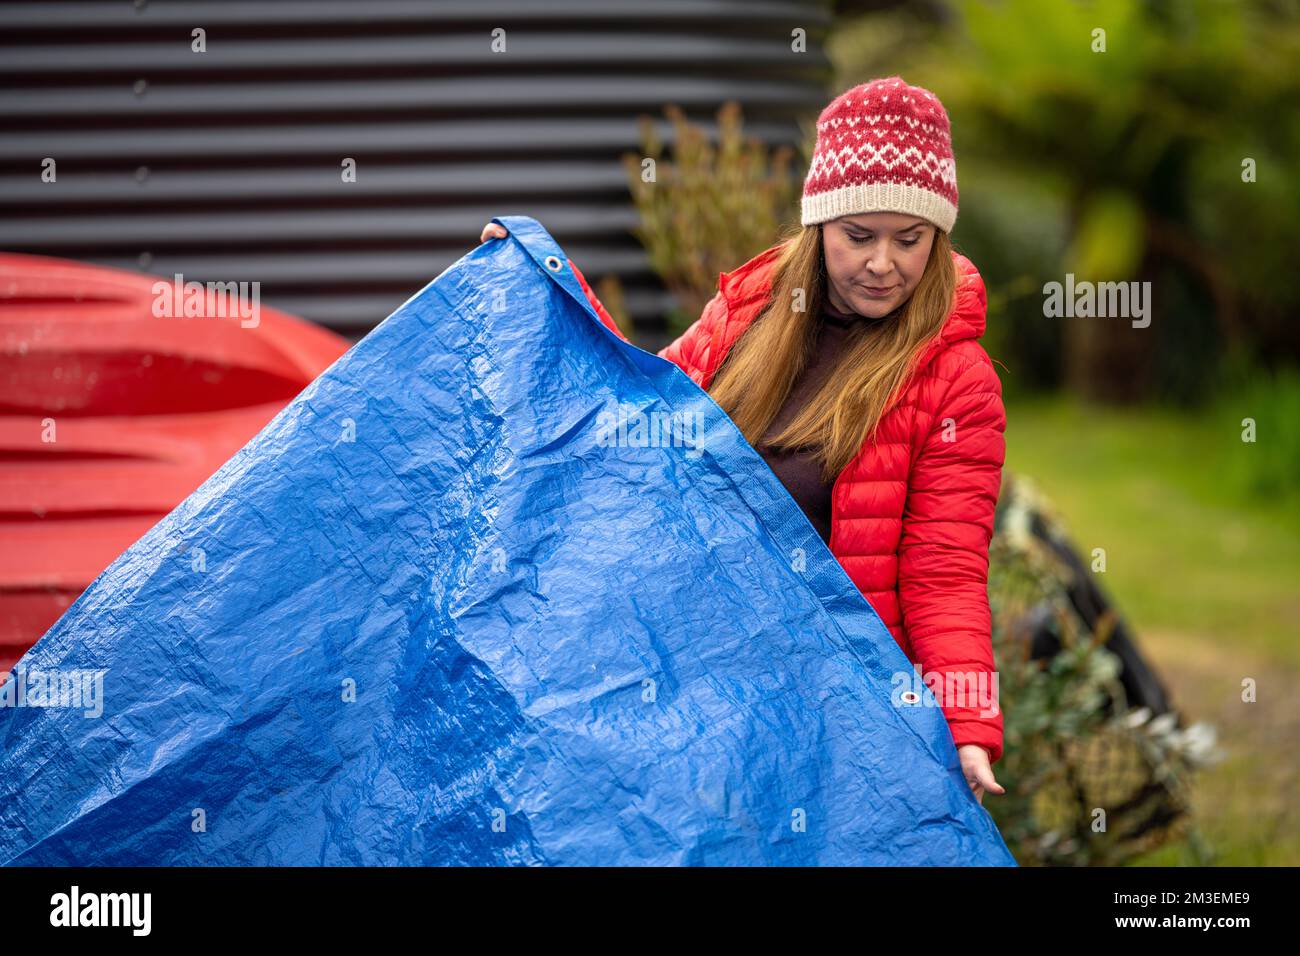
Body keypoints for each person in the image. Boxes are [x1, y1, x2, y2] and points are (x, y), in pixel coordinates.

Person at [480, 76, 1007, 805]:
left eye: (909, 240)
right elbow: (639, 413)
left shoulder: (956, 377)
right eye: (859, 236)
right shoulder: (752, 311)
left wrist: (968, 722)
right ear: (820, 224)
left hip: (835, 699)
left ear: (938, 239)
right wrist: (544, 289)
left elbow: (944, 569)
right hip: (700, 667)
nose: (884, 264)